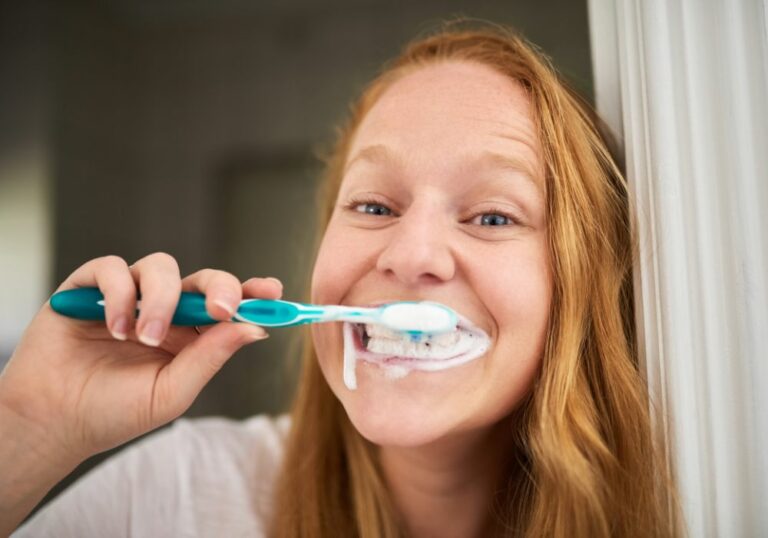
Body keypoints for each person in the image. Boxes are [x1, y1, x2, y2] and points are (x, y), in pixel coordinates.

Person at [0, 22, 678, 537]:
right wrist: (29, 425)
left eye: (493, 216)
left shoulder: (686, 504)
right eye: (373, 206)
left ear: (579, 285)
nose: (410, 255)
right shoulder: (180, 496)